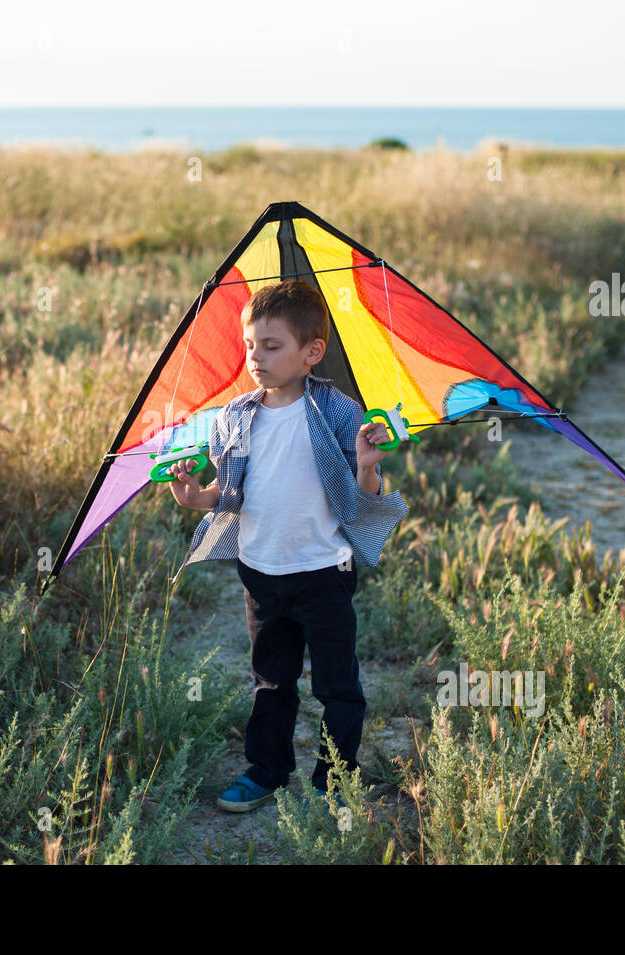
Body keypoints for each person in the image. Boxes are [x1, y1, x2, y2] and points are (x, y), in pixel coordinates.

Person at [165, 279, 409, 812]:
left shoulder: (337, 412)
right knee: (272, 684)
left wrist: (368, 466)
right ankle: (268, 770)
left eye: (271, 347)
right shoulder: (236, 417)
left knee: (336, 686)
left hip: (324, 573)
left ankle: (334, 777)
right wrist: (192, 497)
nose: (256, 358)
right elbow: (228, 495)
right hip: (261, 573)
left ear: (311, 353)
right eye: (250, 346)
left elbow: (363, 498)